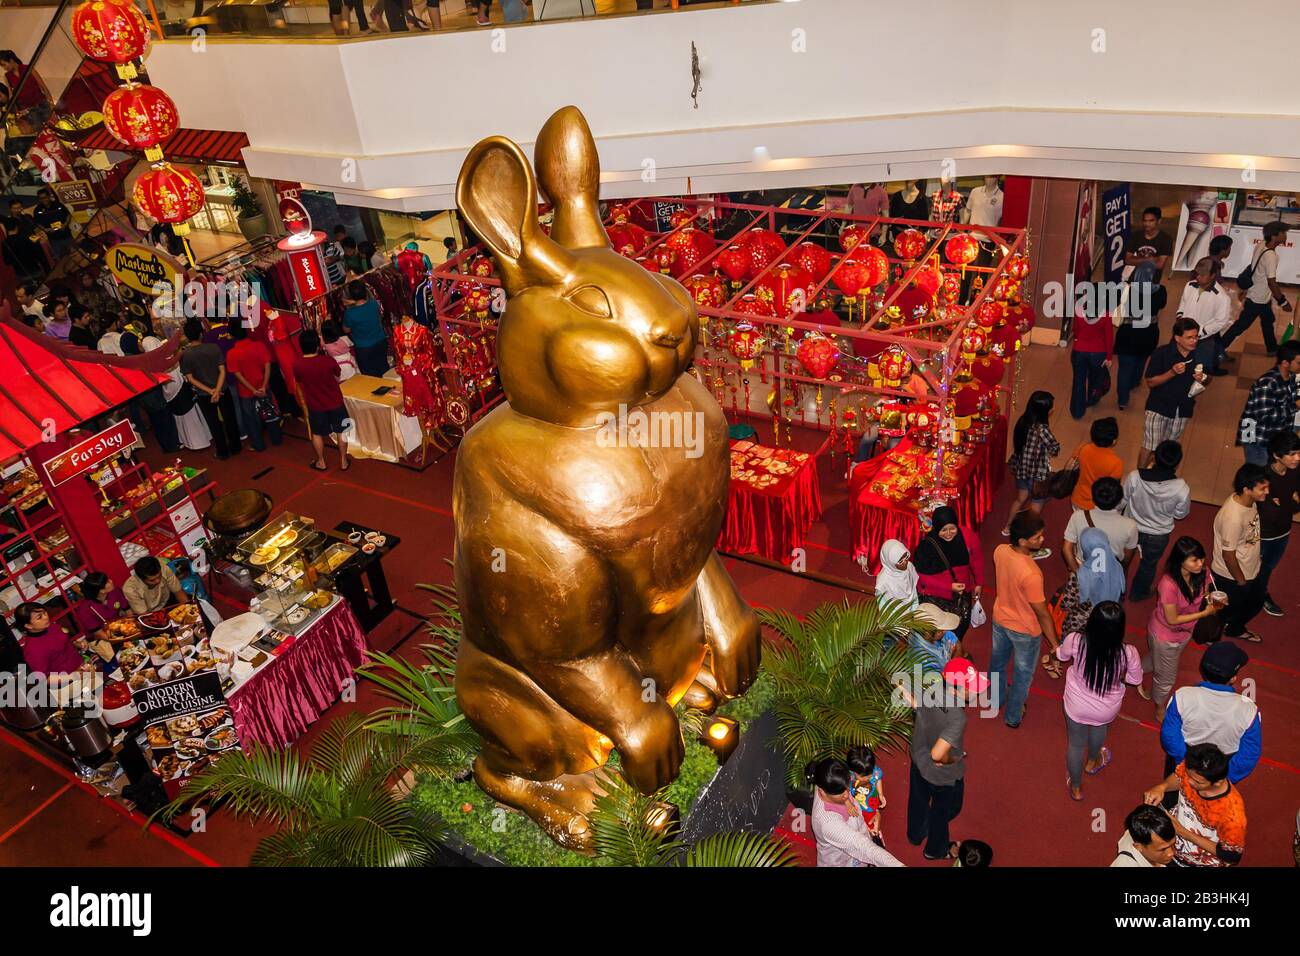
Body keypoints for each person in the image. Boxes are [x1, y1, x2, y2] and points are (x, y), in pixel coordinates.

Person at [1056, 602, 1142, 800]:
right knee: (1099, 730)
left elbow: (1061, 655)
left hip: (1076, 703)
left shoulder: (1076, 639)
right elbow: (1134, 680)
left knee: (1075, 745)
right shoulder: (1128, 653)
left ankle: (1076, 788)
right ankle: (1092, 762)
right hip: (1106, 707)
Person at [903, 657, 986, 860]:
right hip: (943, 776)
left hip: (917, 760)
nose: (977, 691)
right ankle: (935, 850)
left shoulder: (932, 687)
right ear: (956, 690)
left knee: (917, 800)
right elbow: (937, 755)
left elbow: (912, 701)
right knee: (944, 811)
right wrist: (954, 759)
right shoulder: (957, 717)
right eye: (972, 688)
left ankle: (915, 835)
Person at [990, 512, 1058, 728]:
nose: (1042, 540)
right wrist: (1055, 643)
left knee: (997, 664)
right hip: (1025, 631)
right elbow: (1041, 612)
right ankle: (1013, 717)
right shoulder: (1031, 573)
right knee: (1022, 675)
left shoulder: (1000, 551)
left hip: (1000, 619)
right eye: (1037, 537)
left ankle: (995, 699)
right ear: (1022, 541)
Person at [1139, 537, 1219, 719]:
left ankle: (1130, 672)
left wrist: (1212, 601)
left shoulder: (1203, 571)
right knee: (1166, 678)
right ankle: (1159, 707)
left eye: (1202, 558)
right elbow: (1172, 619)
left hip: (1185, 632)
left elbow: (1206, 593)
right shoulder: (1168, 585)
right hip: (1166, 635)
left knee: (1155, 658)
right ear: (1180, 561)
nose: (1201, 564)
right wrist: (1204, 614)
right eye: (1194, 560)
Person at [1162, 642, 1261, 786]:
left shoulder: (1183, 696)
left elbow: (1170, 735)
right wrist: (1226, 778)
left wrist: (1183, 763)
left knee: (1173, 793)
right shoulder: (1249, 710)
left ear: (1201, 670)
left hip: (1186, 754)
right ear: (1233, 678)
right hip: (1222, 763)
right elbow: (1249, 753)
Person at [1142, 743, 1245, 868]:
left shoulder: (1232, 816)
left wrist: (1183, 832)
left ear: (1218, 782)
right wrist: (1162, 787)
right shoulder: (1195, 769)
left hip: (1199, 862)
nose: (1189, 781)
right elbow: (1179, 776)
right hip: (1175, 845)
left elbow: (1231, 855)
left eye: (1197, 781)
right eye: (1188, 775)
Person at [1123, 440, 1191, 602]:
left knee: (1123, 559)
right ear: (1177, 464)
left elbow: (1124, 498)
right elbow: (1181, 514)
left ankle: (1118, 590)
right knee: (1148, 564)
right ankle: (1138, 594)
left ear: (1154, 457)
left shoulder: (1135, 476)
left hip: (1131, 527)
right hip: (1158, 534)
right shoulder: (1181, 488)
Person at [807, 758, 903, 867]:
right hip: (844, 862)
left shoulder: (829, 782)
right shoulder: (828, 823)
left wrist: (875, 812)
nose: (847, 795)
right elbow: (862, 846)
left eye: (847, 788)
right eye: (841, 793)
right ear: (822, 792)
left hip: (861, 838)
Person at [1211, 464, 1269, 643]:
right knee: (1220, 611)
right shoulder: (1233, 518)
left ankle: (1235, 629)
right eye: (1262, 489)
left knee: (1256, 600)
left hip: (1250, 568)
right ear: (1246, 489)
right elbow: (1228, 555)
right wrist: (1242, 582)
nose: (1267, 492)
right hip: (1231, 576)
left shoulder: (1248, 502)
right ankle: (1210, 636)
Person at [1139, 317, 1207, 469]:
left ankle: (1163, 474)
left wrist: (1203, 378)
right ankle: (1141, 475)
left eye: (1196, 337)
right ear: (1177, 338)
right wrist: (1171, 372)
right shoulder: (1162, 353)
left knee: (1170, 448)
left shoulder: (1199, 355)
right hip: (1159, 406)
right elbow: (1151, 382)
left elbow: (1208, 378)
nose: (1194, 341)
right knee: (1150, 445)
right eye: (1189, 337)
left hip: (1182, 409)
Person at [1220, 221, 1293, 357]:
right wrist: (1282, 301)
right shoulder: (1271, 256)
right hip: (1258, 298)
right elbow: (1271, 281)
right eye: (1283, 233)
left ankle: (1271, 348)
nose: (1285, 236)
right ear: (1274, 236)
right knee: (1241, 325)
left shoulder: (1261, 245)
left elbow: (1255, 269)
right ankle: (1218, 348)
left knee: (1267, 320)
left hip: (1260, 295)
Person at [1053, 527, 1127, 658]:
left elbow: (1067, 604)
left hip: (1081, 623)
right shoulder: (1117, 566)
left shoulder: (1080, 575)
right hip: (1107, 618)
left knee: (1075, 644)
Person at [912, 506, 983, 638]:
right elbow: (922, 577)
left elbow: (977, 560)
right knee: (938, 632)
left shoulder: (967, 537)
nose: (949, 533)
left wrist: (979, 582)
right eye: (943, 530)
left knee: (960, 626)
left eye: (952, 528)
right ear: (937, 528)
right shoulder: (927, 547)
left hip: (961, 593)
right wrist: (948, 587)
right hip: (937, 596)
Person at [1002, 390, 1059, 538]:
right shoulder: (1043, 430)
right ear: (1045, 411)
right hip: (1038, 476)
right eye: (1051, 407)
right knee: (1035, 507)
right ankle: (1027, 535)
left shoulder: (1023, 421)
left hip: (1022, 470)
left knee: (1020, 499)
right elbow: (1055, 448)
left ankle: (1008, 526)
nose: (1053, 409)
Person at [181, 320, 240, 459]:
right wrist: (217, 390)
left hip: (204, 394)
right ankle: (236, 447)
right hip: (222, 389)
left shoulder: (186, 355)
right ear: (201, 334)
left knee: (214, 423)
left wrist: (210, 391)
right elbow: (222, 370)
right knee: (230, 419)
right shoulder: (213, 348)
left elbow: (190, 378)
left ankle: (222, 452)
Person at [294, 329, 351, 472]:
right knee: (342, 430)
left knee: (317, 433)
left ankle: (321, 461)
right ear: (317, 345)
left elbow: (299, 382)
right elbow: (337, 376)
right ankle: (343, 460)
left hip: (315, 404)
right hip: (335, 402)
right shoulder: (327, 361)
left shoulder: (298, 364)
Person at [1236, 341, 1300, 467]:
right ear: (1285, 363)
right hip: (1257, 438)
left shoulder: (1290, 377)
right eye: (1299, 362)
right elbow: (1265, 416)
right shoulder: (1267, 383)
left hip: (1272, 435)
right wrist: (1295, 406)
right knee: (1258, 473)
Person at [1257, 431, 1300, 617]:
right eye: (1291, 454)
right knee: (1252, 569)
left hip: (1283, 531)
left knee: (1268, 568)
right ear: (1276, 455)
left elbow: (1292, 507)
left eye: (1299, 452)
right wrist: (1291, 502)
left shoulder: (1297, 469)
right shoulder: (1263, 478)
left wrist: (1286, 504)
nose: (1297, 458)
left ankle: (1261, 594)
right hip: (1262, 535)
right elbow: (1271, 514)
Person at [225, 323, 283, 452]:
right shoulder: (259, 346)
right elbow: (267, 365)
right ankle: (276, 439)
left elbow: (238, 375)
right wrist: (263, 385)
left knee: (251, 419)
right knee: (271, 414)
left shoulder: (232, 353)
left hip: (246, 391)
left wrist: (252, 390)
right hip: (263, 386)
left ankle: (258, 444)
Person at [1063, 478, 1138, 570]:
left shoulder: (1078, 516)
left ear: (1093, 498)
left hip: (1085, 568)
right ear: (1119, 500)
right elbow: (1126, 558)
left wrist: (1077, 572)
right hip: (1111, 571)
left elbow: (1066, 549)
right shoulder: (1130, 526)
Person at [1179, 257, 1230, 375]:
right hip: (1182, 332)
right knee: (1180, 363)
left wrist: (1200, 331)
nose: (1198, 277)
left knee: (1199, 369)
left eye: (1203, 275)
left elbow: (1221, 321)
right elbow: (1183, 302)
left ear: (1212, 275)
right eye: (1197, 274)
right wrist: (1180, 317)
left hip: (1202, 340)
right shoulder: (1190, 285)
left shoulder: (1221, 297)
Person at [13, 603, 89, 680]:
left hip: (82, 666)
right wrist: (72, 676)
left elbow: (64, 644)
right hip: (68, 684)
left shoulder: (51, 626)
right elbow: (44, 678)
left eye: (44, 612)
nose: (46, 617)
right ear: (28, 626)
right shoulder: (33, 650)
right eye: (39, 617)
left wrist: (78, 644)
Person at [1068, 300, 1113, 420]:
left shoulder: (1079, 312)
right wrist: (1109, 357)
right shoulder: (1106, 315)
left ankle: (1077, 411)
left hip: (1079, 351)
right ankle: (1092, 399)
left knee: (1078, 381)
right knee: (1095, 378)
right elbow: (1109, 337)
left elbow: (1076, 330)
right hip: (1098, 353)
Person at [1072, 417, 1123, 512]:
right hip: (1098, 506)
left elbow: (1074, 460)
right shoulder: (1116, 463)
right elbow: (1113, 487)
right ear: (1114, 441)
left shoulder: (1082, 448)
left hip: (1078, 499)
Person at [343, 280, 389, 377]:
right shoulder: (373, 304)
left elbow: (346, 330)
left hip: (364, 348)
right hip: (380, 341)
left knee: (371, 376)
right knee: (384, 370)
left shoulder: (350, 313)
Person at [844, 745, 887, 843]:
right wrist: (847, 802)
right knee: (856, 824)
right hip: (855, 804)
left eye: (869, 775)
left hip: (871, 802)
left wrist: (880, 794)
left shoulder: (875, 771)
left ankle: (875, 835)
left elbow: (878, 779)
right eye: (863, 777)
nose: (867, 778)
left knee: (872, 822)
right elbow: (843, 789)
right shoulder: (848, 776)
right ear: (852, 771)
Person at [1110, 805, 1176, 867]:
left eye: (1173, 844)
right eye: (1162, 849)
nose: (1171, 853)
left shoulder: (1143, 833)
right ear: (1138, 847)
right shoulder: (1125, 864)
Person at [909, 603, 963, 677]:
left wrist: (953, 664)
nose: (945, 631)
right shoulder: (921, 658)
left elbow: (958, 644)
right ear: (927, 633)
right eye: (941, 630)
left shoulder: (937, 632)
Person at [1124, 206, 1173, 282]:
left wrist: (1136, 259)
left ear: (1159, 221)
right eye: (1145, 221)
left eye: (1151, 221)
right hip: (1134, 274)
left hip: (1152, 276)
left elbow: (1159, 265)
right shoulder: (1136, 236)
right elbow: (1127, 260)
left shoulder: (1166, 239)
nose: (1147, 224)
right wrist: (1151, 259)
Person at [870, 539, 919, 612]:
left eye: (906, 557)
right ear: (890, 562)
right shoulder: (883, 583)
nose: (905, 562)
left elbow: (913, 592)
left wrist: (915, 610)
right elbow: (885, 609)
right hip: (895, 615)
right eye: (900, 561)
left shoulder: (909, 566)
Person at [32, 187, 74, 261]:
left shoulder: (58, 204)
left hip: (67, 235)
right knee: (61, 259)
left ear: (49, 196)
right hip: (54, 239)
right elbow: (37, 223)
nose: (43, 200)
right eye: (41, 198)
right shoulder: (37, 210)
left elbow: (68, 215)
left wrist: (65, 225)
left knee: (74, 255)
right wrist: (45, 229)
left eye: (45, 197)